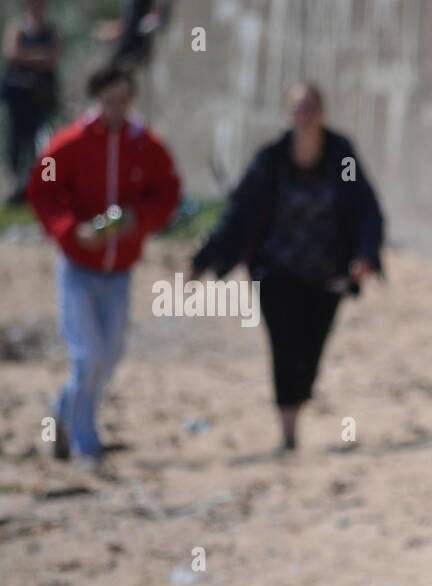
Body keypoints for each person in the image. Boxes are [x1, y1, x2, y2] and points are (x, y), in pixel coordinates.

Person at [191, 82, 383, 452]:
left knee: (311, 351)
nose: (304, 115)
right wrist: (203, 261)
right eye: (297, 108)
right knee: (284, 347)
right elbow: (240, 211)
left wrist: (365, 254)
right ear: (288, 114)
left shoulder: (340, 156)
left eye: (310, 107)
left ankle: (298, 402)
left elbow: (363, 207)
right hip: (276, 272)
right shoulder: (273, 159)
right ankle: (288, 431)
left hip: (328, 273)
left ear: (322, 112)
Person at [27, 64, 180, 468]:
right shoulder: (70, 142)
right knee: (86, 356)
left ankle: (63, 409)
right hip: (78, 267)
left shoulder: (147, 145)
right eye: (110, 101)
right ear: (98, 100)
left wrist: (138, 219)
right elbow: (42, 189)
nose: (117, 109)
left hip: (121, 270)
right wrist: (70, 230)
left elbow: (167, 194)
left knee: (109, 357)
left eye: (124, 101)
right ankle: (85, 442)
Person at [2, 0, 61, 204]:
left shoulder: (50, 30)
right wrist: (40, 57)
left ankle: (46, 183)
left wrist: (28, 56)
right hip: (19, 96)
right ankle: (19, 186)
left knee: (45, 140)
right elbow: (12, 53)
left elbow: (53, 57)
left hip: (43, 95)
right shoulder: (18, 28)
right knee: (18, 141)